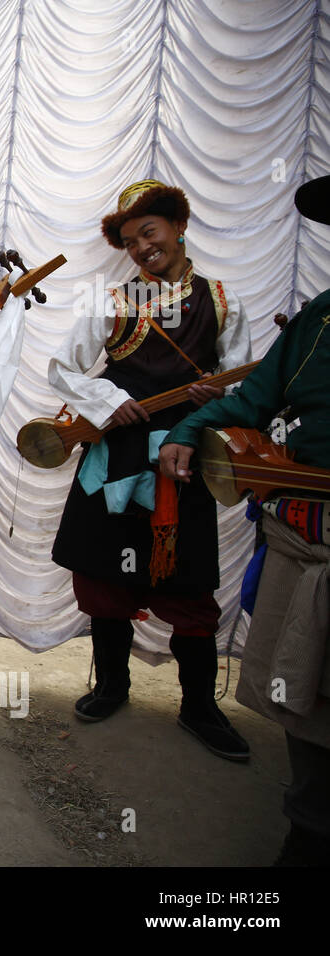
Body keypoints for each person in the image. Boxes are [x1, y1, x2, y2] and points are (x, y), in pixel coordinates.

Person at [48, 179, 252, 760]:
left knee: (187, 586)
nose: (142, 248)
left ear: (177, 227)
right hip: (115, 455)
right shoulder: (108, 301)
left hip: (182, 461)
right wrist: (107, 401)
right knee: (104, 579)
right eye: (131, 241)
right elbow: (63, 370)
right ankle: (113, 685)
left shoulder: (222, 300)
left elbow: (243, 380)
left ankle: (199, 707)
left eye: (150, 232)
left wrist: (219, 394)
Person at [158, 175, 330, 862]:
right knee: (310, 703)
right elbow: (253, 396)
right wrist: (185, 430)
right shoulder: (320, 318)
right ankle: (308, 834)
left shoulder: (220, 302)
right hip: (308, 541)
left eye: (155, 231)